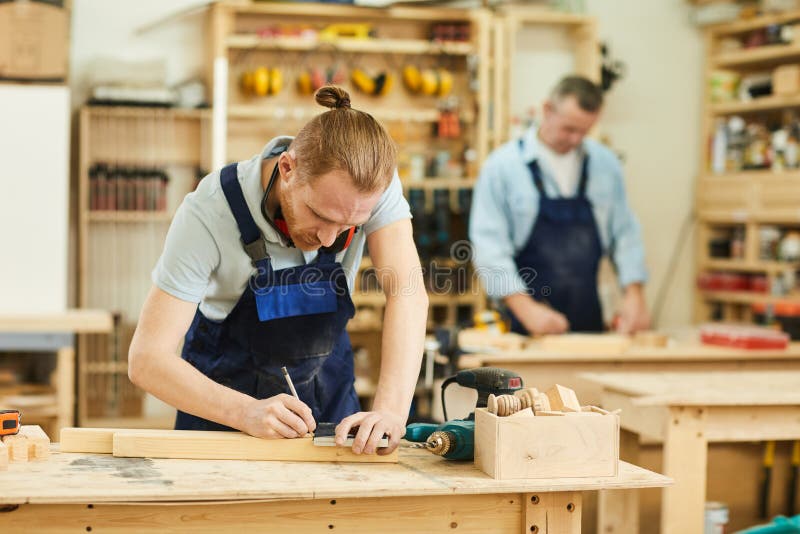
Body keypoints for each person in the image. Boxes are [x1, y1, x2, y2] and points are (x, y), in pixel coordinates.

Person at [128, 86, 428, 455]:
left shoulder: (364, 190)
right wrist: (246, 412)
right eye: (320, 216)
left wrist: (390, 412)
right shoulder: (209, 211)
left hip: (329, 406)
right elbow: (146, 360)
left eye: (351, 226)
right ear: (288, 168)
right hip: (222, 417)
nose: (330, 238)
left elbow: (408, 292)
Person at [469, 75, 649, 336]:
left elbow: (625, 232)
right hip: (522, 322)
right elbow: (489, 247)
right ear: (547, 110)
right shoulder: (502, 167)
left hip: (588, 317)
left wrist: (634, 294)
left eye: (584, 132)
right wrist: (525, 308)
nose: (576, 139)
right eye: (569, 129)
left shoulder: (606, 165)